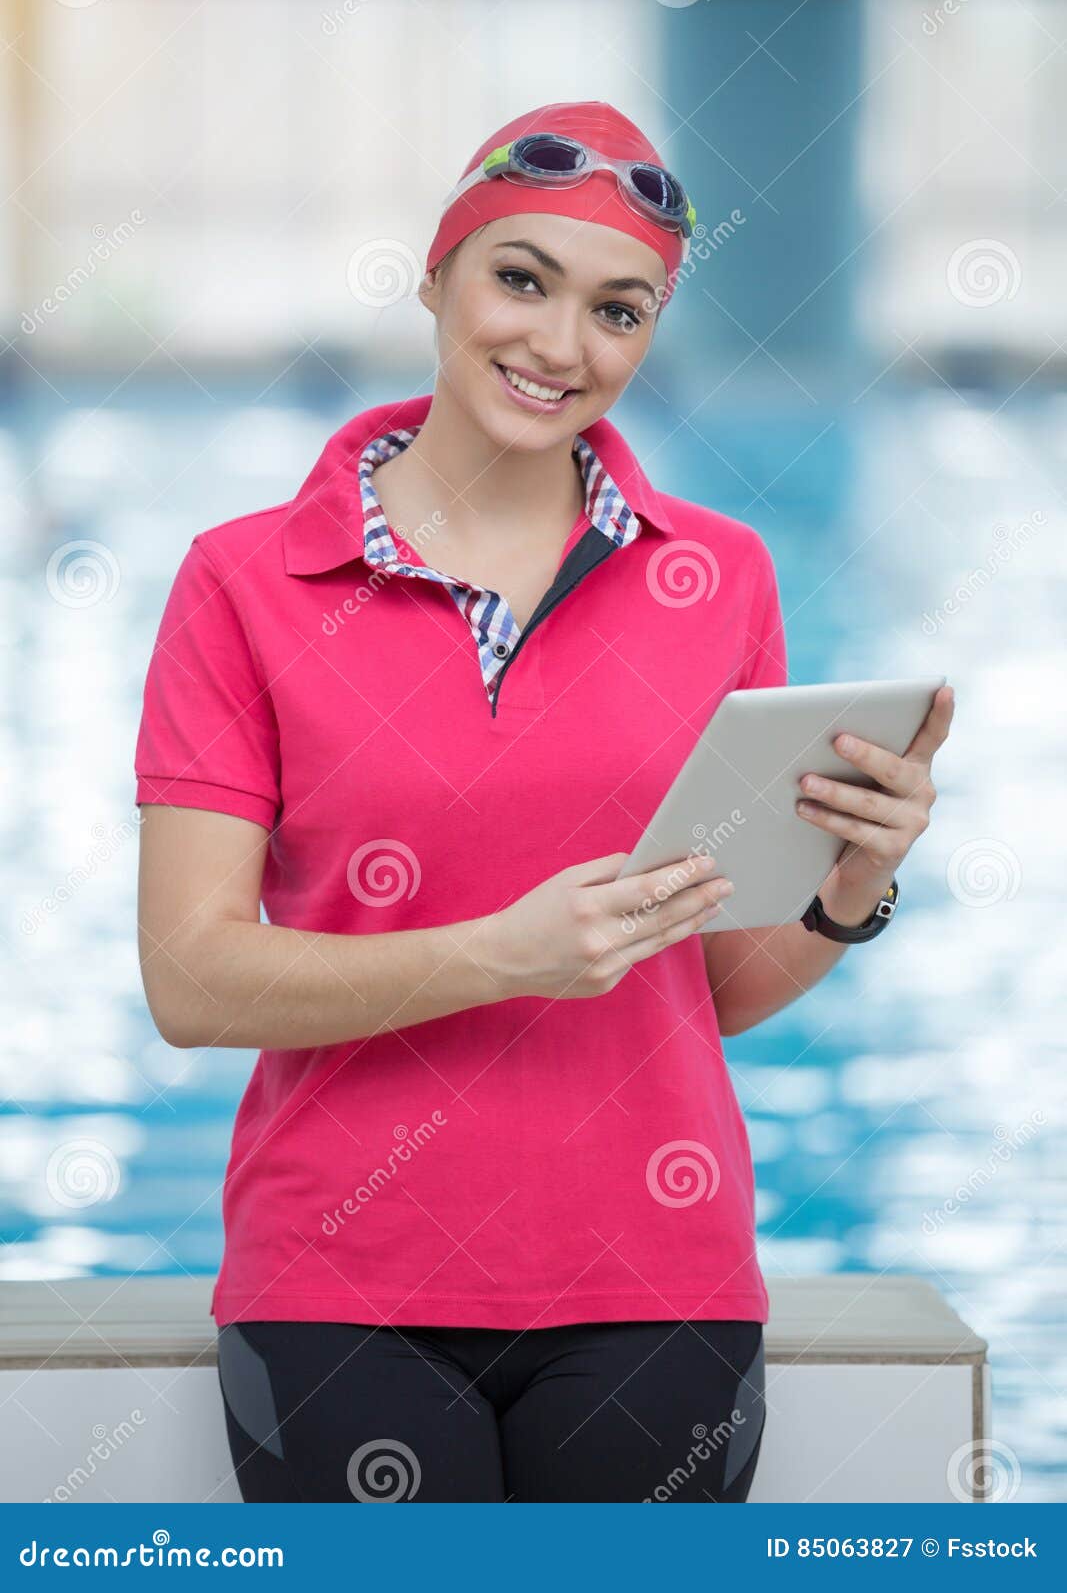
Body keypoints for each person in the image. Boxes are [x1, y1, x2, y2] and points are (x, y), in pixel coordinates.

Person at [134, 100, 952, 1503]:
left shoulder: (723, 577)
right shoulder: (246, 581)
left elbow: (722, 983)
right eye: (520, 278)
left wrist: (853, 882)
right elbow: (191, 977)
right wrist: (499, 955)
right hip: (340, 1275)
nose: (562, 346)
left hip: (657, 1274)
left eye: (618, 311)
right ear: (437, 275)